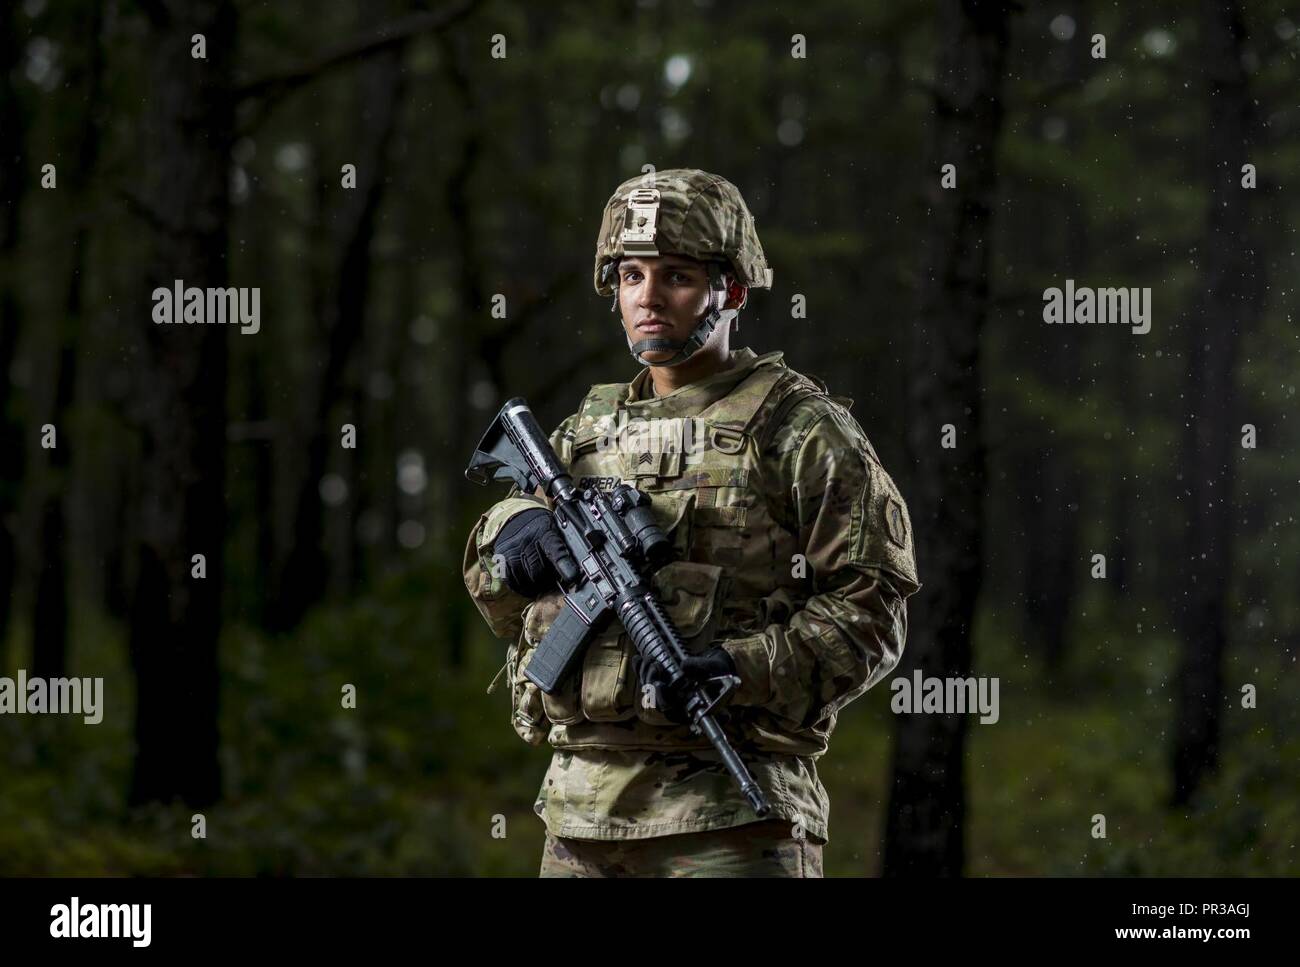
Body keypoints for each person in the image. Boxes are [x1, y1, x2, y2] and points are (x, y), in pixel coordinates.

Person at [463, 168, 920, 877]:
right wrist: (513, 536)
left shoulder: (798, 430)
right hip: (578, 815)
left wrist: (738, 668)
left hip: (731, 821)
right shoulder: (584, 433)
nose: (647, 297)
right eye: (630, 275)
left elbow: (871, 612)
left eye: (675, 275)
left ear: (731, 290)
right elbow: (495, 586)